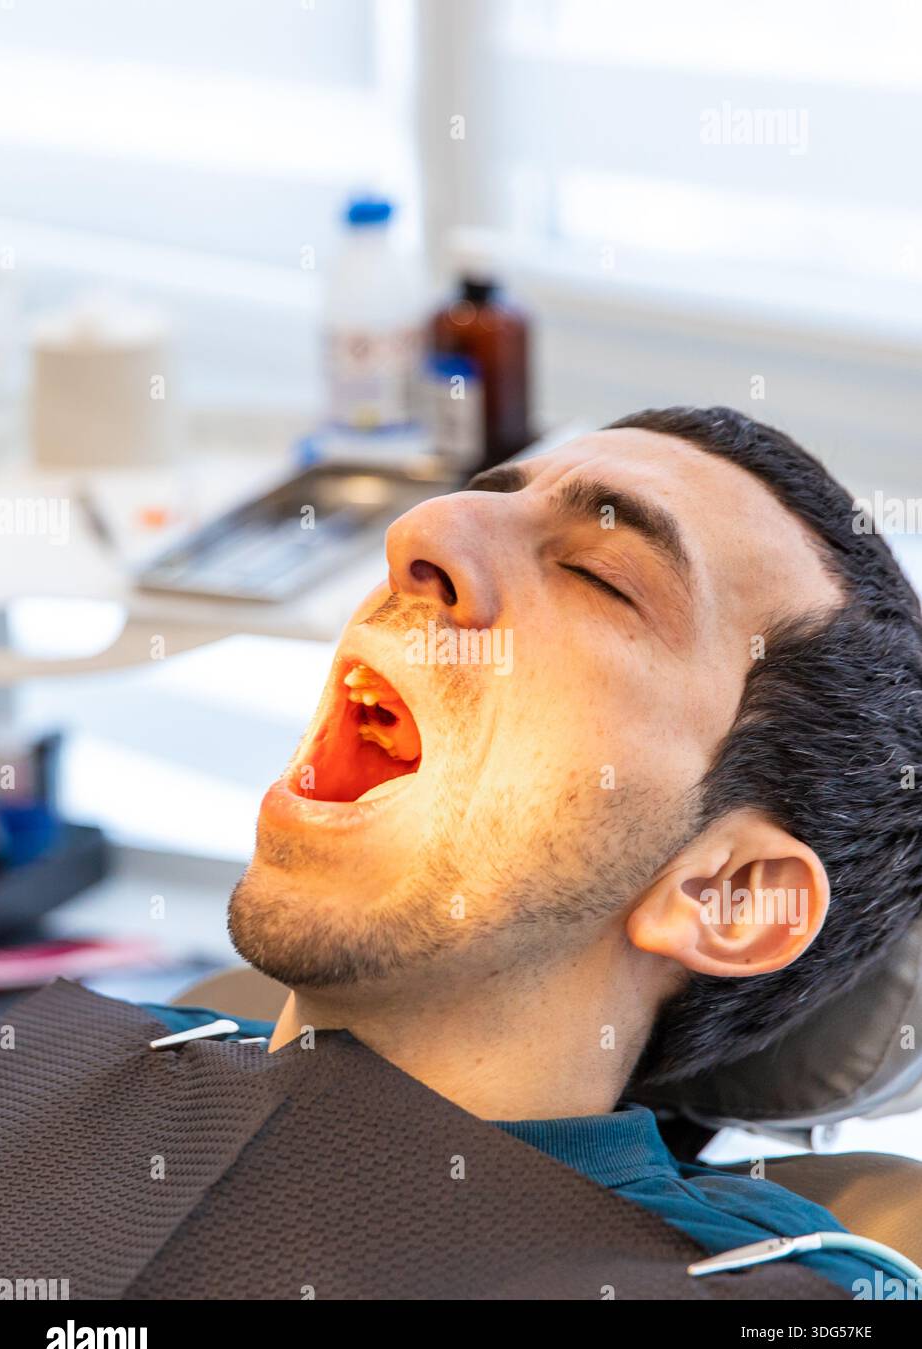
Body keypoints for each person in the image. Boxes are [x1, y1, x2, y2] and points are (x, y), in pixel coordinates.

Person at [149, 406, 922, 1296]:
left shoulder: (758, 1300)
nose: (421, 528)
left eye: (599, 575)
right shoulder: (77, 1061)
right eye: (479, 500)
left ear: (730, 896)